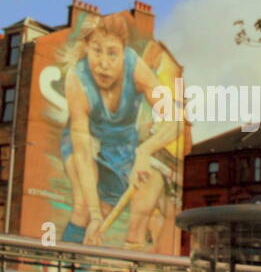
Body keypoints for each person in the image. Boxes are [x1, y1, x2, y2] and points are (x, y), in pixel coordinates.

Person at [60, 13, 178, 250]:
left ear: (123, 51)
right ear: (87, 48)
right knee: (84, 206)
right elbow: (83, 153)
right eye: (96, 51)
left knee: (147, 188)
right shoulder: (77, 80)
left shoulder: (134, 67)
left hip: (123, 150)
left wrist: (144, 152)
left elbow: (174, 119)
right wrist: (95, 216)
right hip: (85, 145)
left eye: (112, 53)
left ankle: (121, 270)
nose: (103, 63)